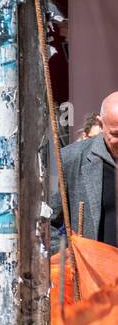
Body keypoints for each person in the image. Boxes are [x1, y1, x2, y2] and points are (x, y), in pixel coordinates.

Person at [51, 91, 118, 248]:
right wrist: (73, 256)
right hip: (92, 270)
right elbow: (46, 223)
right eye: (116, 134)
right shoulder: (71, 159)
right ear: (100, 124)